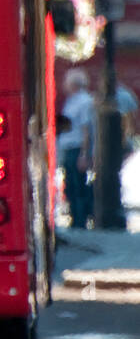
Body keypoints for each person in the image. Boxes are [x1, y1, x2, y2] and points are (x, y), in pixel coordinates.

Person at [58, 68, 95, 228]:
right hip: (68, 147)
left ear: (73, 84)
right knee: (70, 185)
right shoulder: (70, 101)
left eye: (66, 81)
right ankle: (74, 218)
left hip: (77, 148)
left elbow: (86, 130)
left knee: (79, 185)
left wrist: (84, 154)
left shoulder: (85, 102)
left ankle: (80, 221)